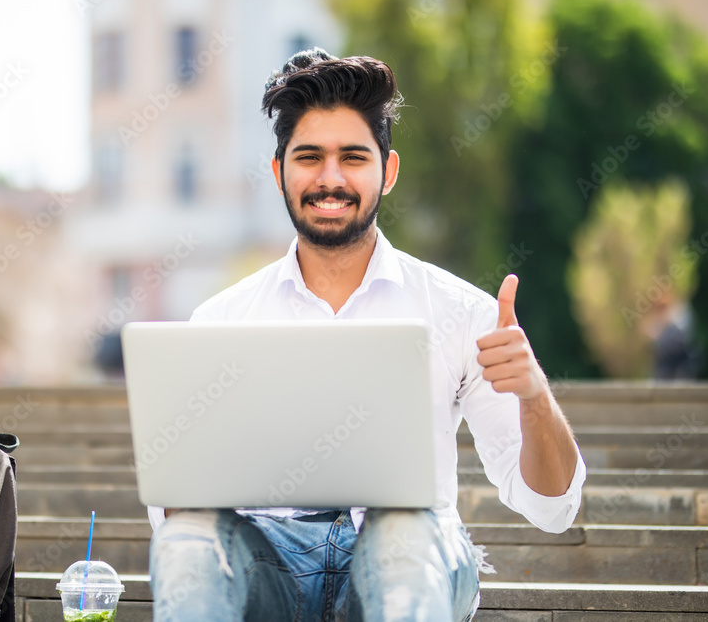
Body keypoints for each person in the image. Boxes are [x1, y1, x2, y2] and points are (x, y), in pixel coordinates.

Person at [146, 49, 586, 622]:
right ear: (279, 172)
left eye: (353, 157)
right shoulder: (220, 322)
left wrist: (533, 396)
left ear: (389, 170)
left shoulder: (462, 313)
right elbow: (178, 520)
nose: (331, 179)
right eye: (309, 157)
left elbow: (553, 509)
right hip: (269, 565)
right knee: (187, 544)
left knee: (401, 531)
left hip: (409, 556)